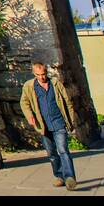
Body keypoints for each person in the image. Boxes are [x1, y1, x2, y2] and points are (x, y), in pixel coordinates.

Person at [19, 60, 78, 190]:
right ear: (34, 74)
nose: (42, 77)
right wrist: (29, 115)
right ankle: (59, 176)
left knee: (63, 150)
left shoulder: (55, 84)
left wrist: (71, 120)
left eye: (44, 74)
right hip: (43, 126)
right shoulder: (29, 86)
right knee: (51, 153)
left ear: (47, 72)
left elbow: (67, 102)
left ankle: (69, 178)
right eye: (38, 74)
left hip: (58, 123)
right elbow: (24, 102)